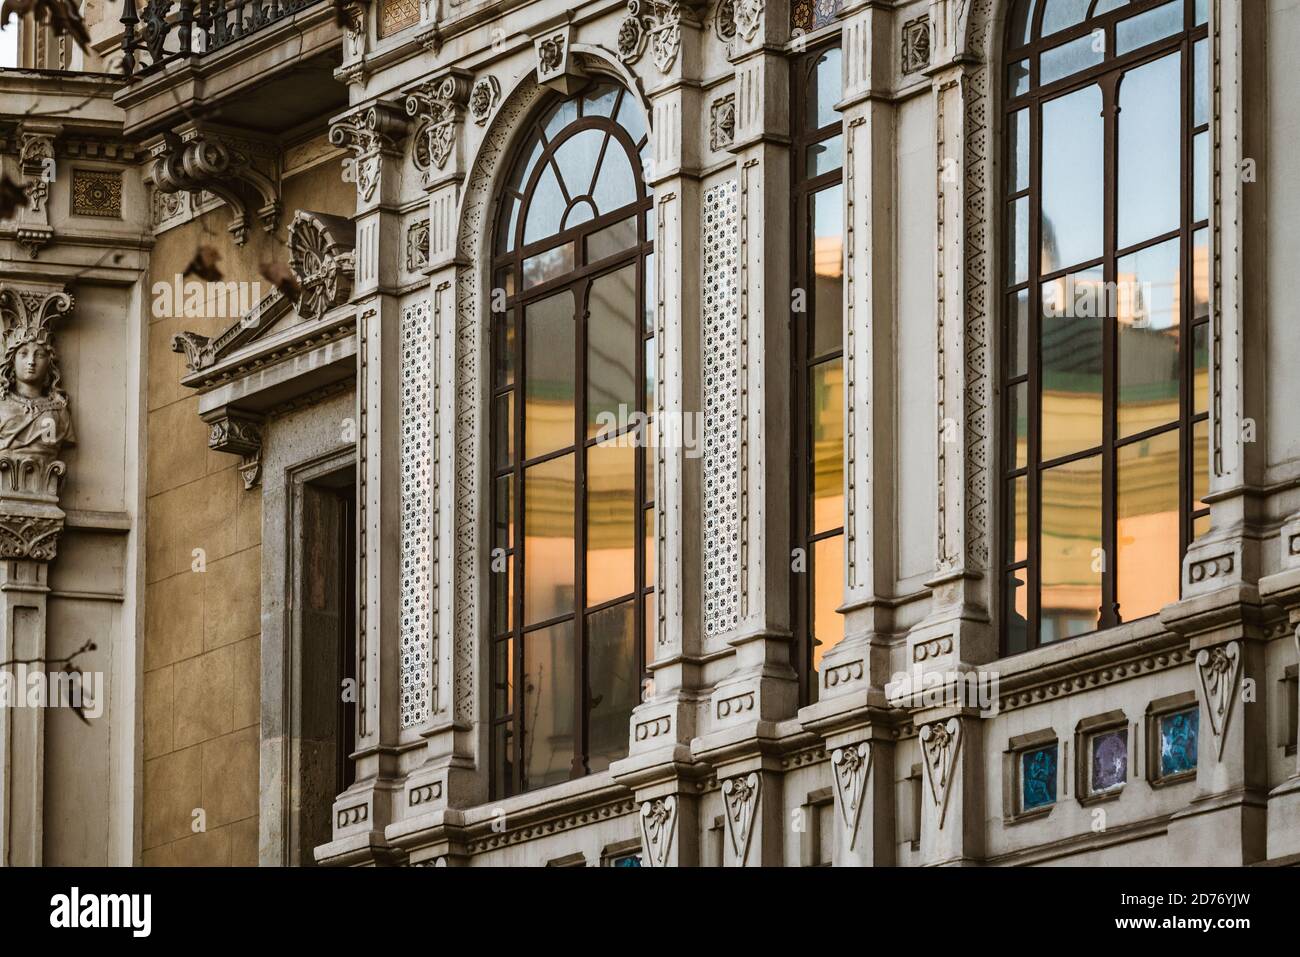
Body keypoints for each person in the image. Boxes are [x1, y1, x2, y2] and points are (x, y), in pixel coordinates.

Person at [0, 334, 75, 462]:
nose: (31, 362)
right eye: (23, 354)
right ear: (12, 361)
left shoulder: (59, 410)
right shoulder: (2, 405)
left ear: (49, 363)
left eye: (39, 355)